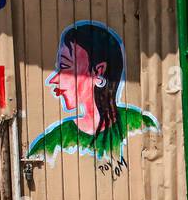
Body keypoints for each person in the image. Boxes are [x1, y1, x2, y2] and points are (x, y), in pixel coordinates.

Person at [27, 20, 158, 162]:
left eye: (64, 66)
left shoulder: (140, 126)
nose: (53, 80)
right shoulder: (55, 142)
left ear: (98, 71)